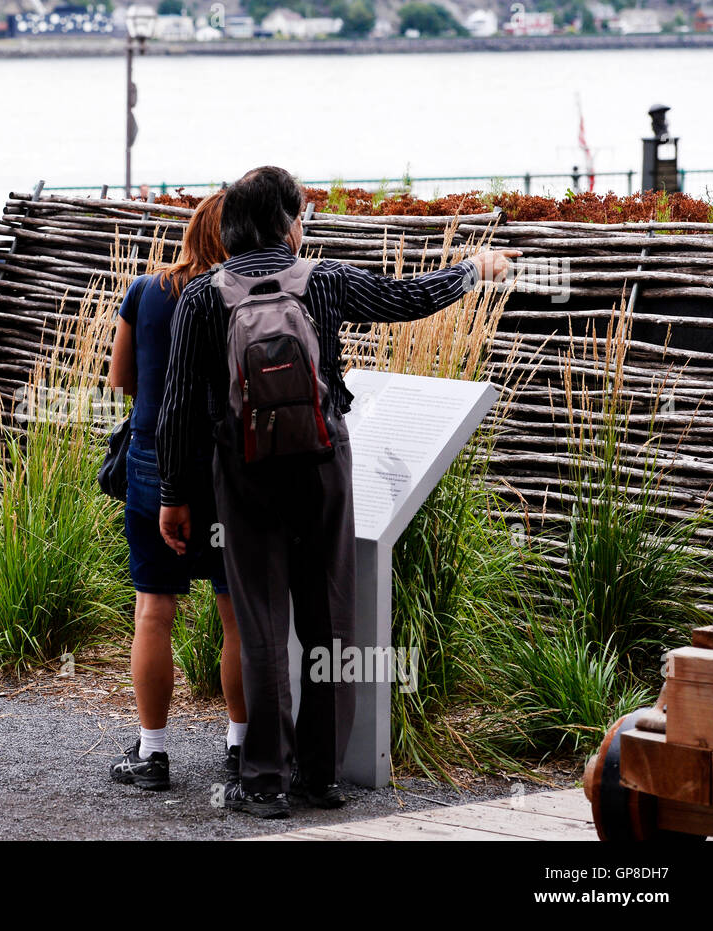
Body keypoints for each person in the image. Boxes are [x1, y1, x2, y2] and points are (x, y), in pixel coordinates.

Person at [155, 166, 521, 818]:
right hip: (323, 466)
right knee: (330, 620)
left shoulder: (202, 298)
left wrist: (174, 495)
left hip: (243, 472)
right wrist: (471, 270)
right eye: (300, 215)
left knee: (263, 626)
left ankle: (264, 779)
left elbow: (179, 407)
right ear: (286, 221)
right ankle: (320, 776)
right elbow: (409, 300)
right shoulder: (323, 279)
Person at [106, 191, 248, 792]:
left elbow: (120, 381)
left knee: (154, 608)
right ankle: (242, 748)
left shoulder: (144, 292)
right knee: (235, 614)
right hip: (224, 467)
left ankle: (153, 753)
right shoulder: (240, 293)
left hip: (152, 459)